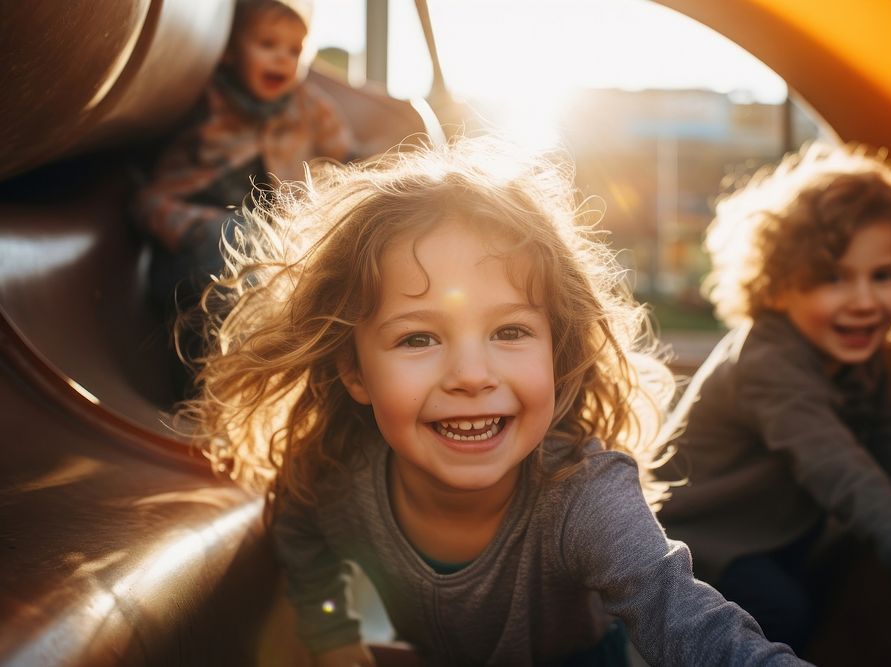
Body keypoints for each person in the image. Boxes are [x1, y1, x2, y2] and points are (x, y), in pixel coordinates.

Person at [179, 136, 807, 665]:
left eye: (510, 332)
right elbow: (304, 548)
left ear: (557, 358)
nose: (472, 375)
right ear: (355, 372)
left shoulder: (581, 496)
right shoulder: (333, 475)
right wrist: (334, 638)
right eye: (418, 338)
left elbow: (692, 625)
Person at [657, 141, 891, 661]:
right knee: (780, 610)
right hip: (702, 541)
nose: (864, 301)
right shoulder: (767, 365)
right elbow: (848, 477)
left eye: (883, 275)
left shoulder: (855, 354)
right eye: (832, 278)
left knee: (857, 570)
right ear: (776, 285)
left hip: (779, 525)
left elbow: (890, 443)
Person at [133, 0, 359, 382]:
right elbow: (149, 198)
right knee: (239, 250)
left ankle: (285, 376)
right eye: (267, 44)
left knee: (303, 265)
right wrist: (194, 227)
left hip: (273, 244)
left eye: (295, 50)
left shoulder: (307, 105)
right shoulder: (205, 103)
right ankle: (210, 381)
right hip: (198, 243)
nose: (282, 59)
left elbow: (345, 156)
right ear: (228, 52)